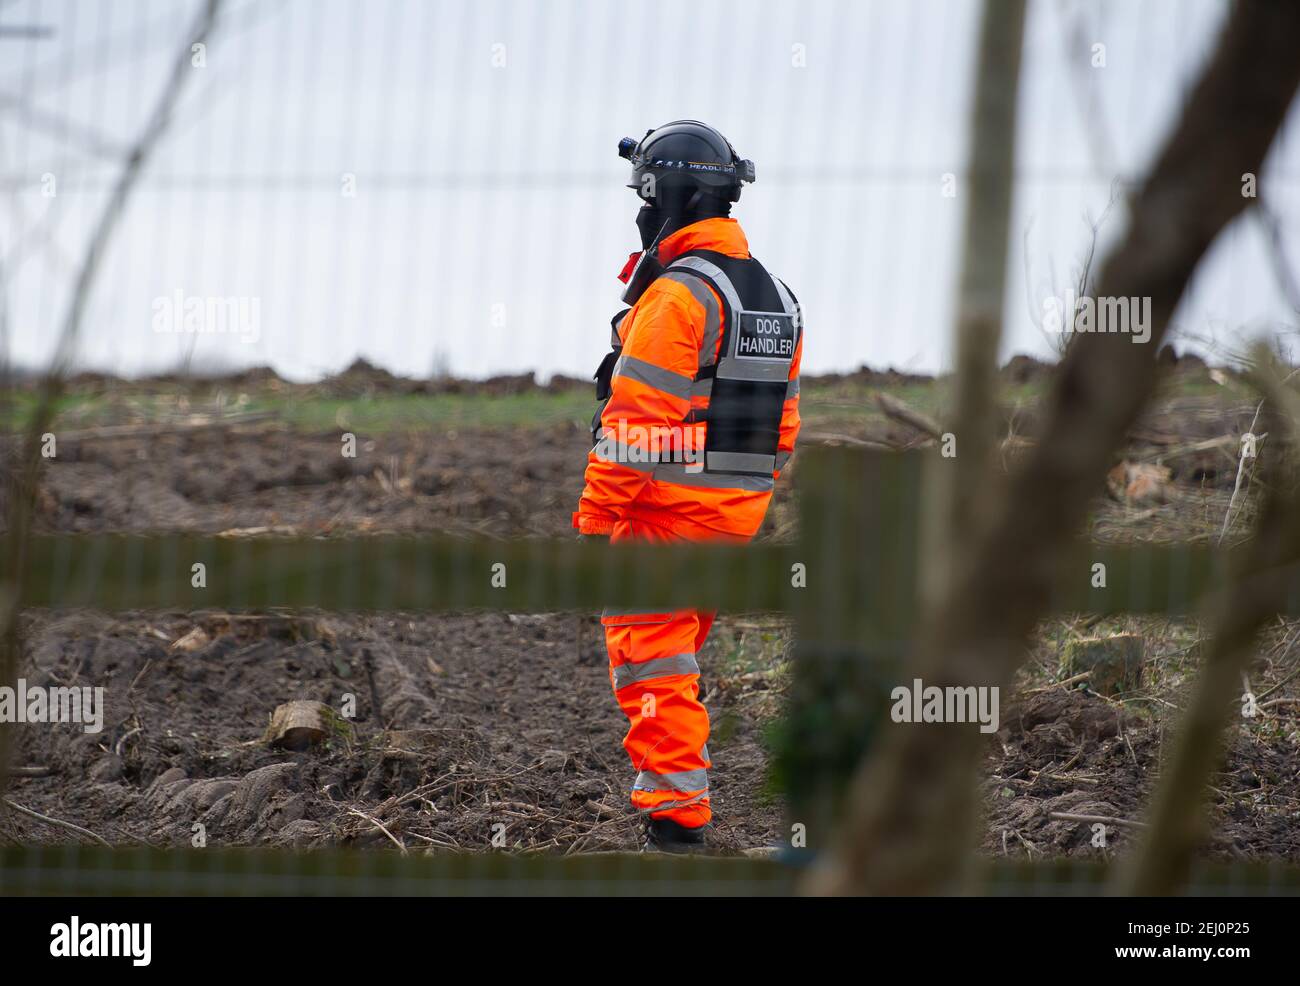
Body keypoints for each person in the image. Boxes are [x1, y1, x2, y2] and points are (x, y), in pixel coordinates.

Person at [573, 121, 803, 852]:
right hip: (733, 517)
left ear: (666, 195)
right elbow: (783, 428)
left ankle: (677, 824)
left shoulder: (678, 297)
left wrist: (593, 521)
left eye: (644, 193)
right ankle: (680, 811)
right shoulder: (774, 296)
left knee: (652, 660)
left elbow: (637, 421)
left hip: (665, 517)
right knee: (673, 659)